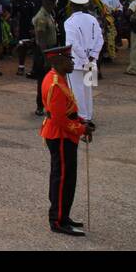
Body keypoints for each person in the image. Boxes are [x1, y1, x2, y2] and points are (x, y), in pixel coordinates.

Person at [40, 45, 92, 236]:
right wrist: (81, 129)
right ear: (57, 62)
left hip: (65, 135)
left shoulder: (60, 78)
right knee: (62, 179)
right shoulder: (55, 83)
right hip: (60, 136)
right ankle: (57, 220)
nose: (72, 62)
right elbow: (59, 119)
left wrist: (80, 122)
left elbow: (67, 110)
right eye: (68, 59)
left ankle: (63, 215)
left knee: (67, 178)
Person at [63, 0, 102, 124]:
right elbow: (100, 39)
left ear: (71, 5)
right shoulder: (92, 19)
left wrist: (84, 59)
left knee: (76, 90)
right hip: (92, 61)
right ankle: (89, 115)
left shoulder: (69, 22)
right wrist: (92, 56)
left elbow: (72, 44)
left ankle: (82, 117)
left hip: (76, 63)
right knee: (88, 89)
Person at [31, 0, 59, 115]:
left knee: (50, 80)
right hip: (44, 51)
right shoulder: (42, 17)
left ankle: (48, 105)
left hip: (49, 50)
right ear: (49, 3)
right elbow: (41, 39)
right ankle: (40, 106)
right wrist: (46, 57)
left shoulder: (48, 14)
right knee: (43, 80)